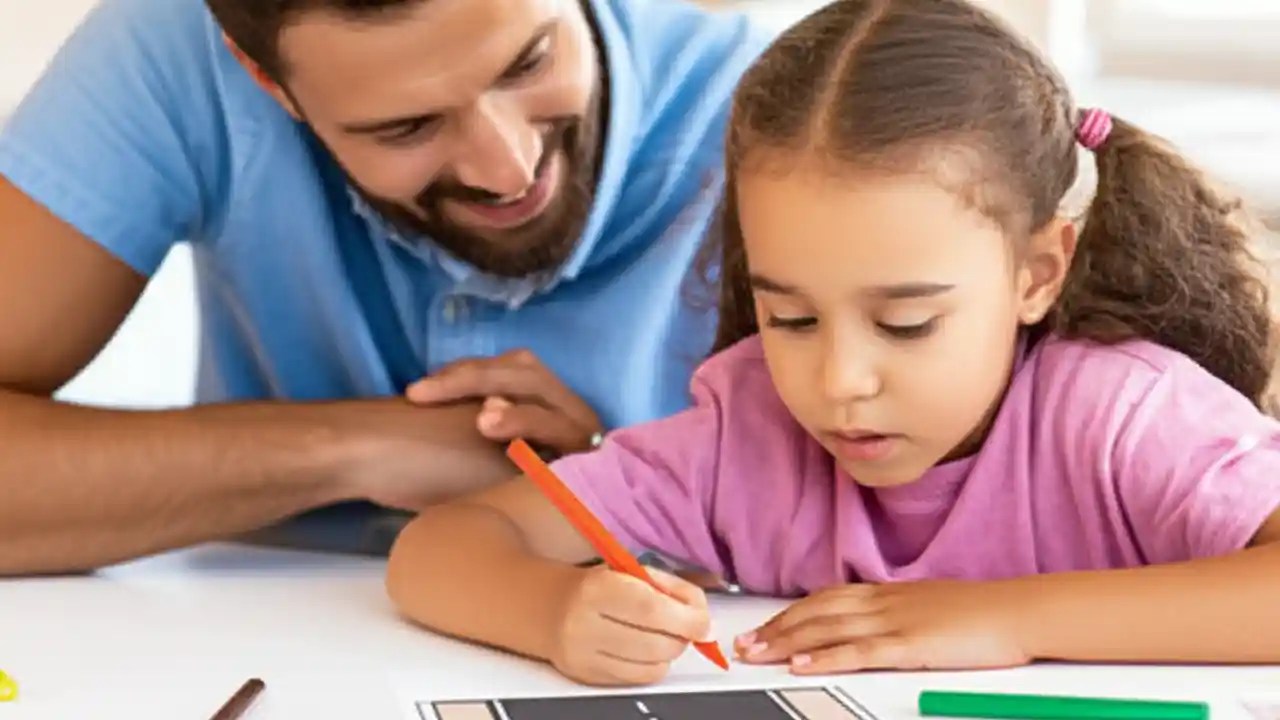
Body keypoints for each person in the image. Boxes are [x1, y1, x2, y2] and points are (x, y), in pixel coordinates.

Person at [385, 0, 1280, 688]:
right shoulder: (745, 436)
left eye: (906, 324)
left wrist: (1004, 620)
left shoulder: (1123, 414)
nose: (839, 381)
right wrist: (553, 611)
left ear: (1038, 273)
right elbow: (444, 546)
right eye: (793, 319)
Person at [0, 0, 771, 575]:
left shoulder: (776, 110)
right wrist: (357, 446)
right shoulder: (173, 53)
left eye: (528, 62)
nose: (508, 169)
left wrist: (611, 480)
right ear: (263, 79)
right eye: (407, 128)